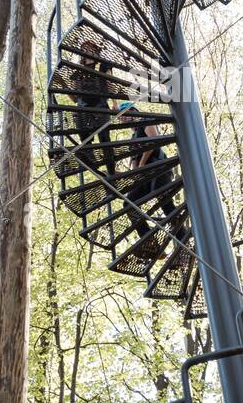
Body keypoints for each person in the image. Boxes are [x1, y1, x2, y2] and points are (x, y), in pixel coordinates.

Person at [122, 113, 179, 247]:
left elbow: (154, 139)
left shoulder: (144, 120)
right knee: (129, 204)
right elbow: (134, 172)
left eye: (125, 113)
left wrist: (142, 164)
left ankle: (182, 238)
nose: (122, 118)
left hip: (158, 168)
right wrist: (113, 174)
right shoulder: (132, 140)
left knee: (164, 200)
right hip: (144, 176)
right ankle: (150, 242)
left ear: (133, 110)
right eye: (120, 117)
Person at [71, 38, 117, 175]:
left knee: (104, 138)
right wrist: (62, 86)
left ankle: (111, 173)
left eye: (90, 47)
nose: (87, 50)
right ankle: (94, 165)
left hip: (100, 105)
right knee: (85, 139)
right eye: (84, 48)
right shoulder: (78, 69)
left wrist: (115, 102)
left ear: (96, 50)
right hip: (83, 107)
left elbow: (111, 83)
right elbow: (74, 97)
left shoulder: (103, 65)